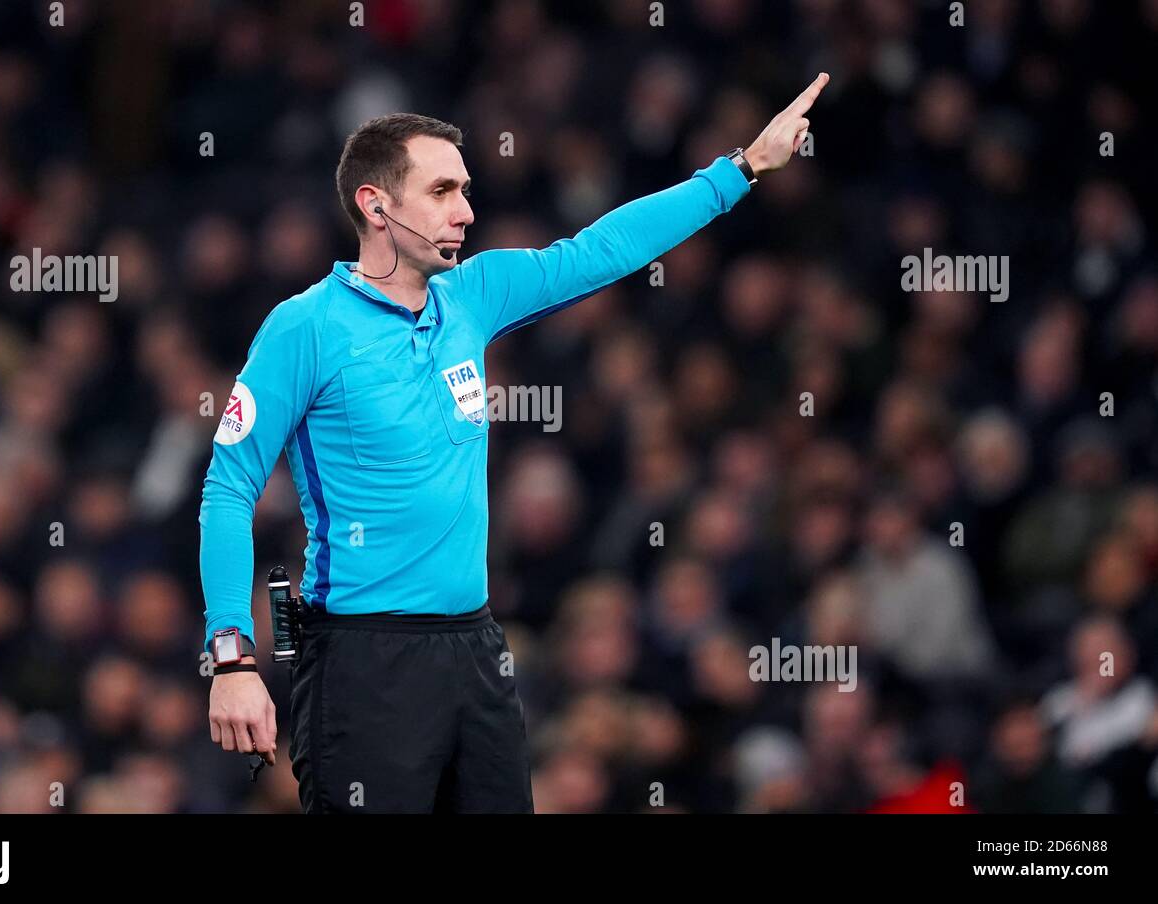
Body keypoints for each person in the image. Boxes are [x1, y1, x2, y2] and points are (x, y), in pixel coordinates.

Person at [200, 74, 830, 813]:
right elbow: (229, 485)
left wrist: (742, 168)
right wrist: (231, 656)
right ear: (375, 205)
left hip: (474, 648)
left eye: (465, 190)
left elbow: (602, 249)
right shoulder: (305, 328)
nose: (466, 211)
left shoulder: (474, 295)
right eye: (441, 192)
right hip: (362, 660)